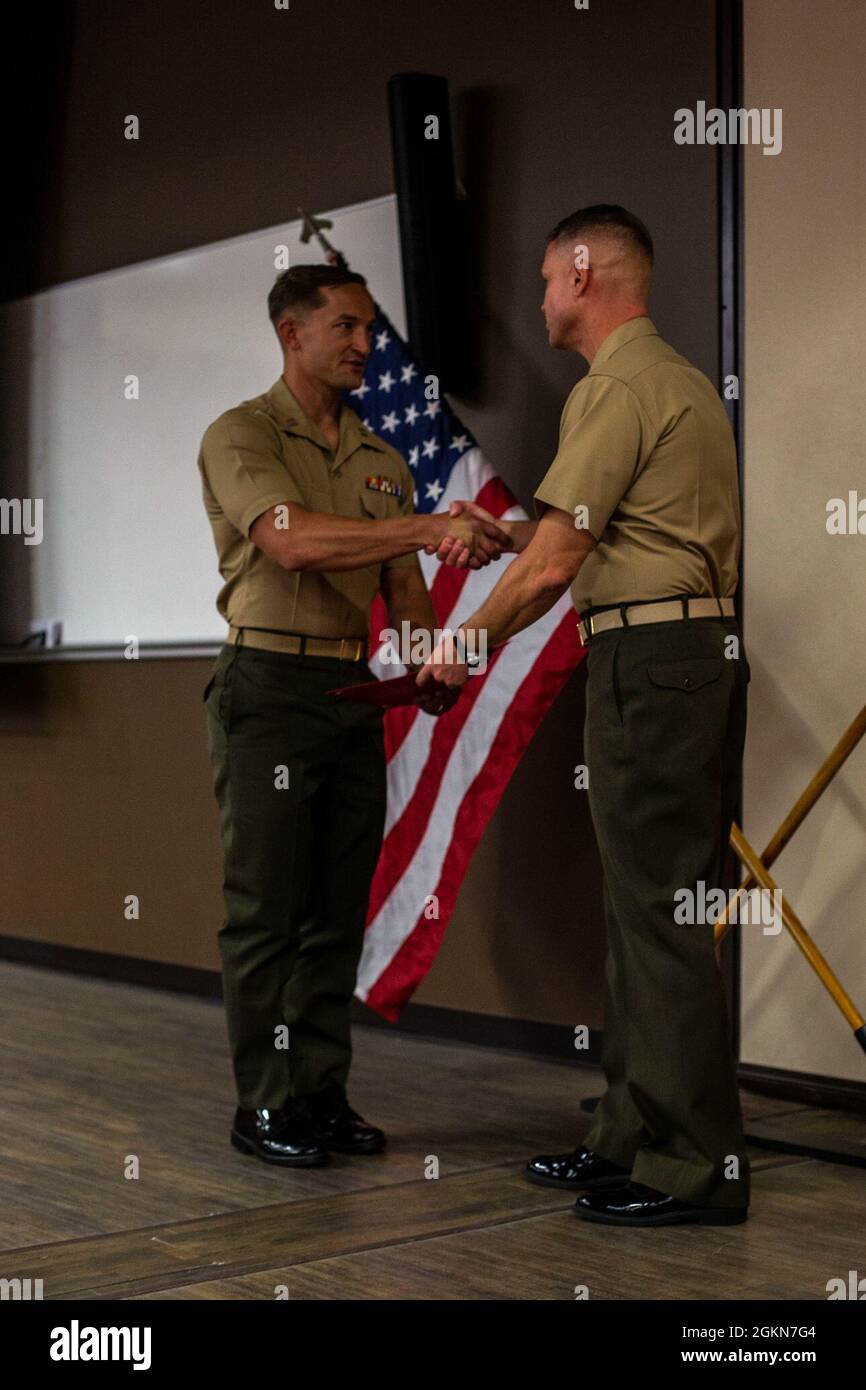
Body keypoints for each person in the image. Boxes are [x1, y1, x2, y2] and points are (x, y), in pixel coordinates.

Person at [420, 205, 751, 1227]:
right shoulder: (675, 381)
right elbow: (597, 528)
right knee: (644, 914)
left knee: (655, 919)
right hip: (679, 657)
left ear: (578, 274)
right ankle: (632, 1135)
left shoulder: (613, 386)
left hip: (649, 664)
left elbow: (562, 561)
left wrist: (462, 641)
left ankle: (692, 1166)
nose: (536, 298)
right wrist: (510, 532)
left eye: (542, 279)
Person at [198, 264, 512, 1167]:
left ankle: (321, 1095)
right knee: (266, 909)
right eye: (345, 327)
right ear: (291, 333)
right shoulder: (240, 435)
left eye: (370, 330)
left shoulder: (381, 459)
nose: (364, 346)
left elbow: (406, 596)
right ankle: (263, 1102)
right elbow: (291, 542)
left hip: (348, 696)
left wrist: (429, 664)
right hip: (267, 688)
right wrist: (420, 527)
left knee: (337, 910)